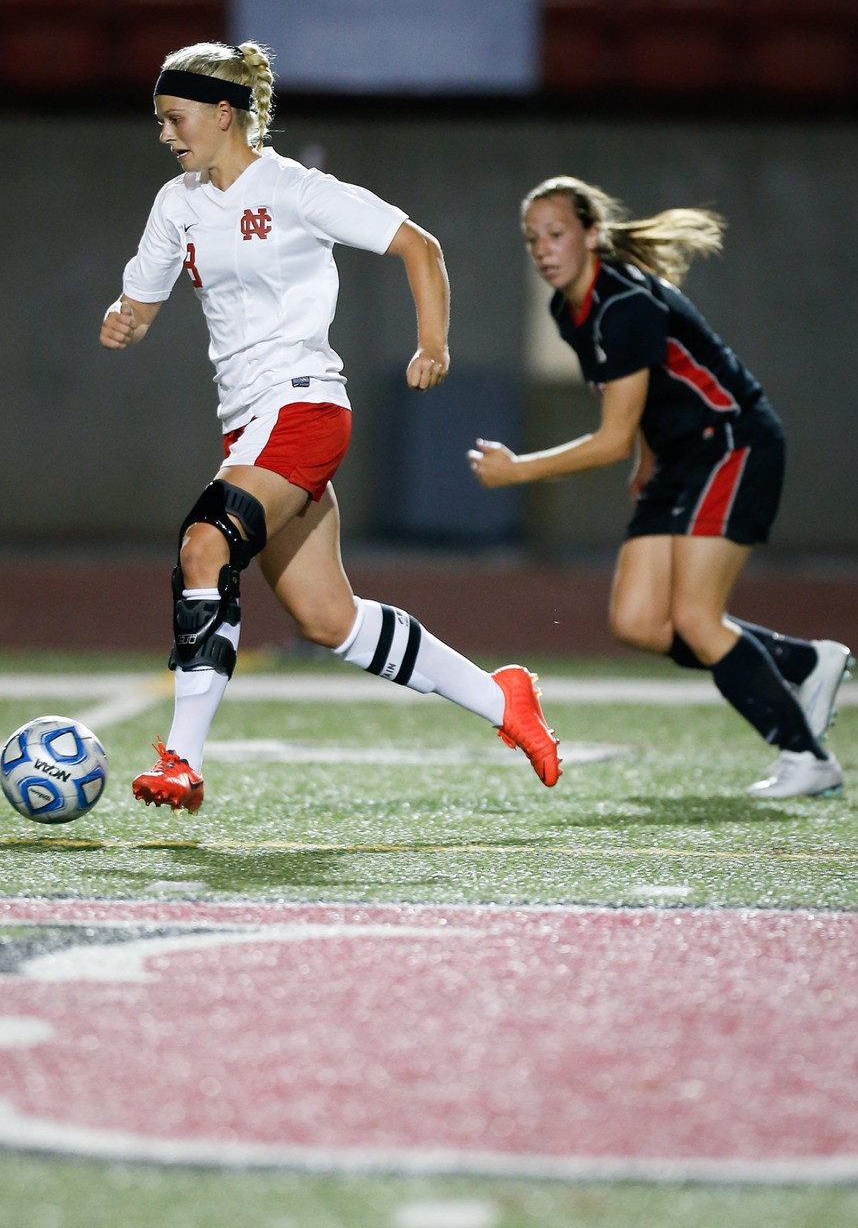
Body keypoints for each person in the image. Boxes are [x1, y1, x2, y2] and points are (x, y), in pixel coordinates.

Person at [100, 40, 560, 813]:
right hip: (250, 424)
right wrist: (124, 318)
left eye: (175, 118)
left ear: (224, 114)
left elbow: (420, 246)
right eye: (159, 120)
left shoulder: (293, 189)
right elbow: (140, 302)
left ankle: (181, 757)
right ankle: (502, 697)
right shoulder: (176, 203)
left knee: (205, 545)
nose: (165, 134)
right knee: (328, 619)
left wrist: (433, 342)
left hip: (305, 405)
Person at [469, 175, 851, 801]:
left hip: (731, 442)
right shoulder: (568, 309)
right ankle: (806, 664)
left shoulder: (622, 305)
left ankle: (806, 756)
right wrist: (647, 459)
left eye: (556, 233)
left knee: (697, 618)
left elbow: (612, 436)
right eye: (532, 237)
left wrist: (520, 469)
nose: (542, 248)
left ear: (592, 234)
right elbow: (640, 403)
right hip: (676, 455)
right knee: (640, 621)